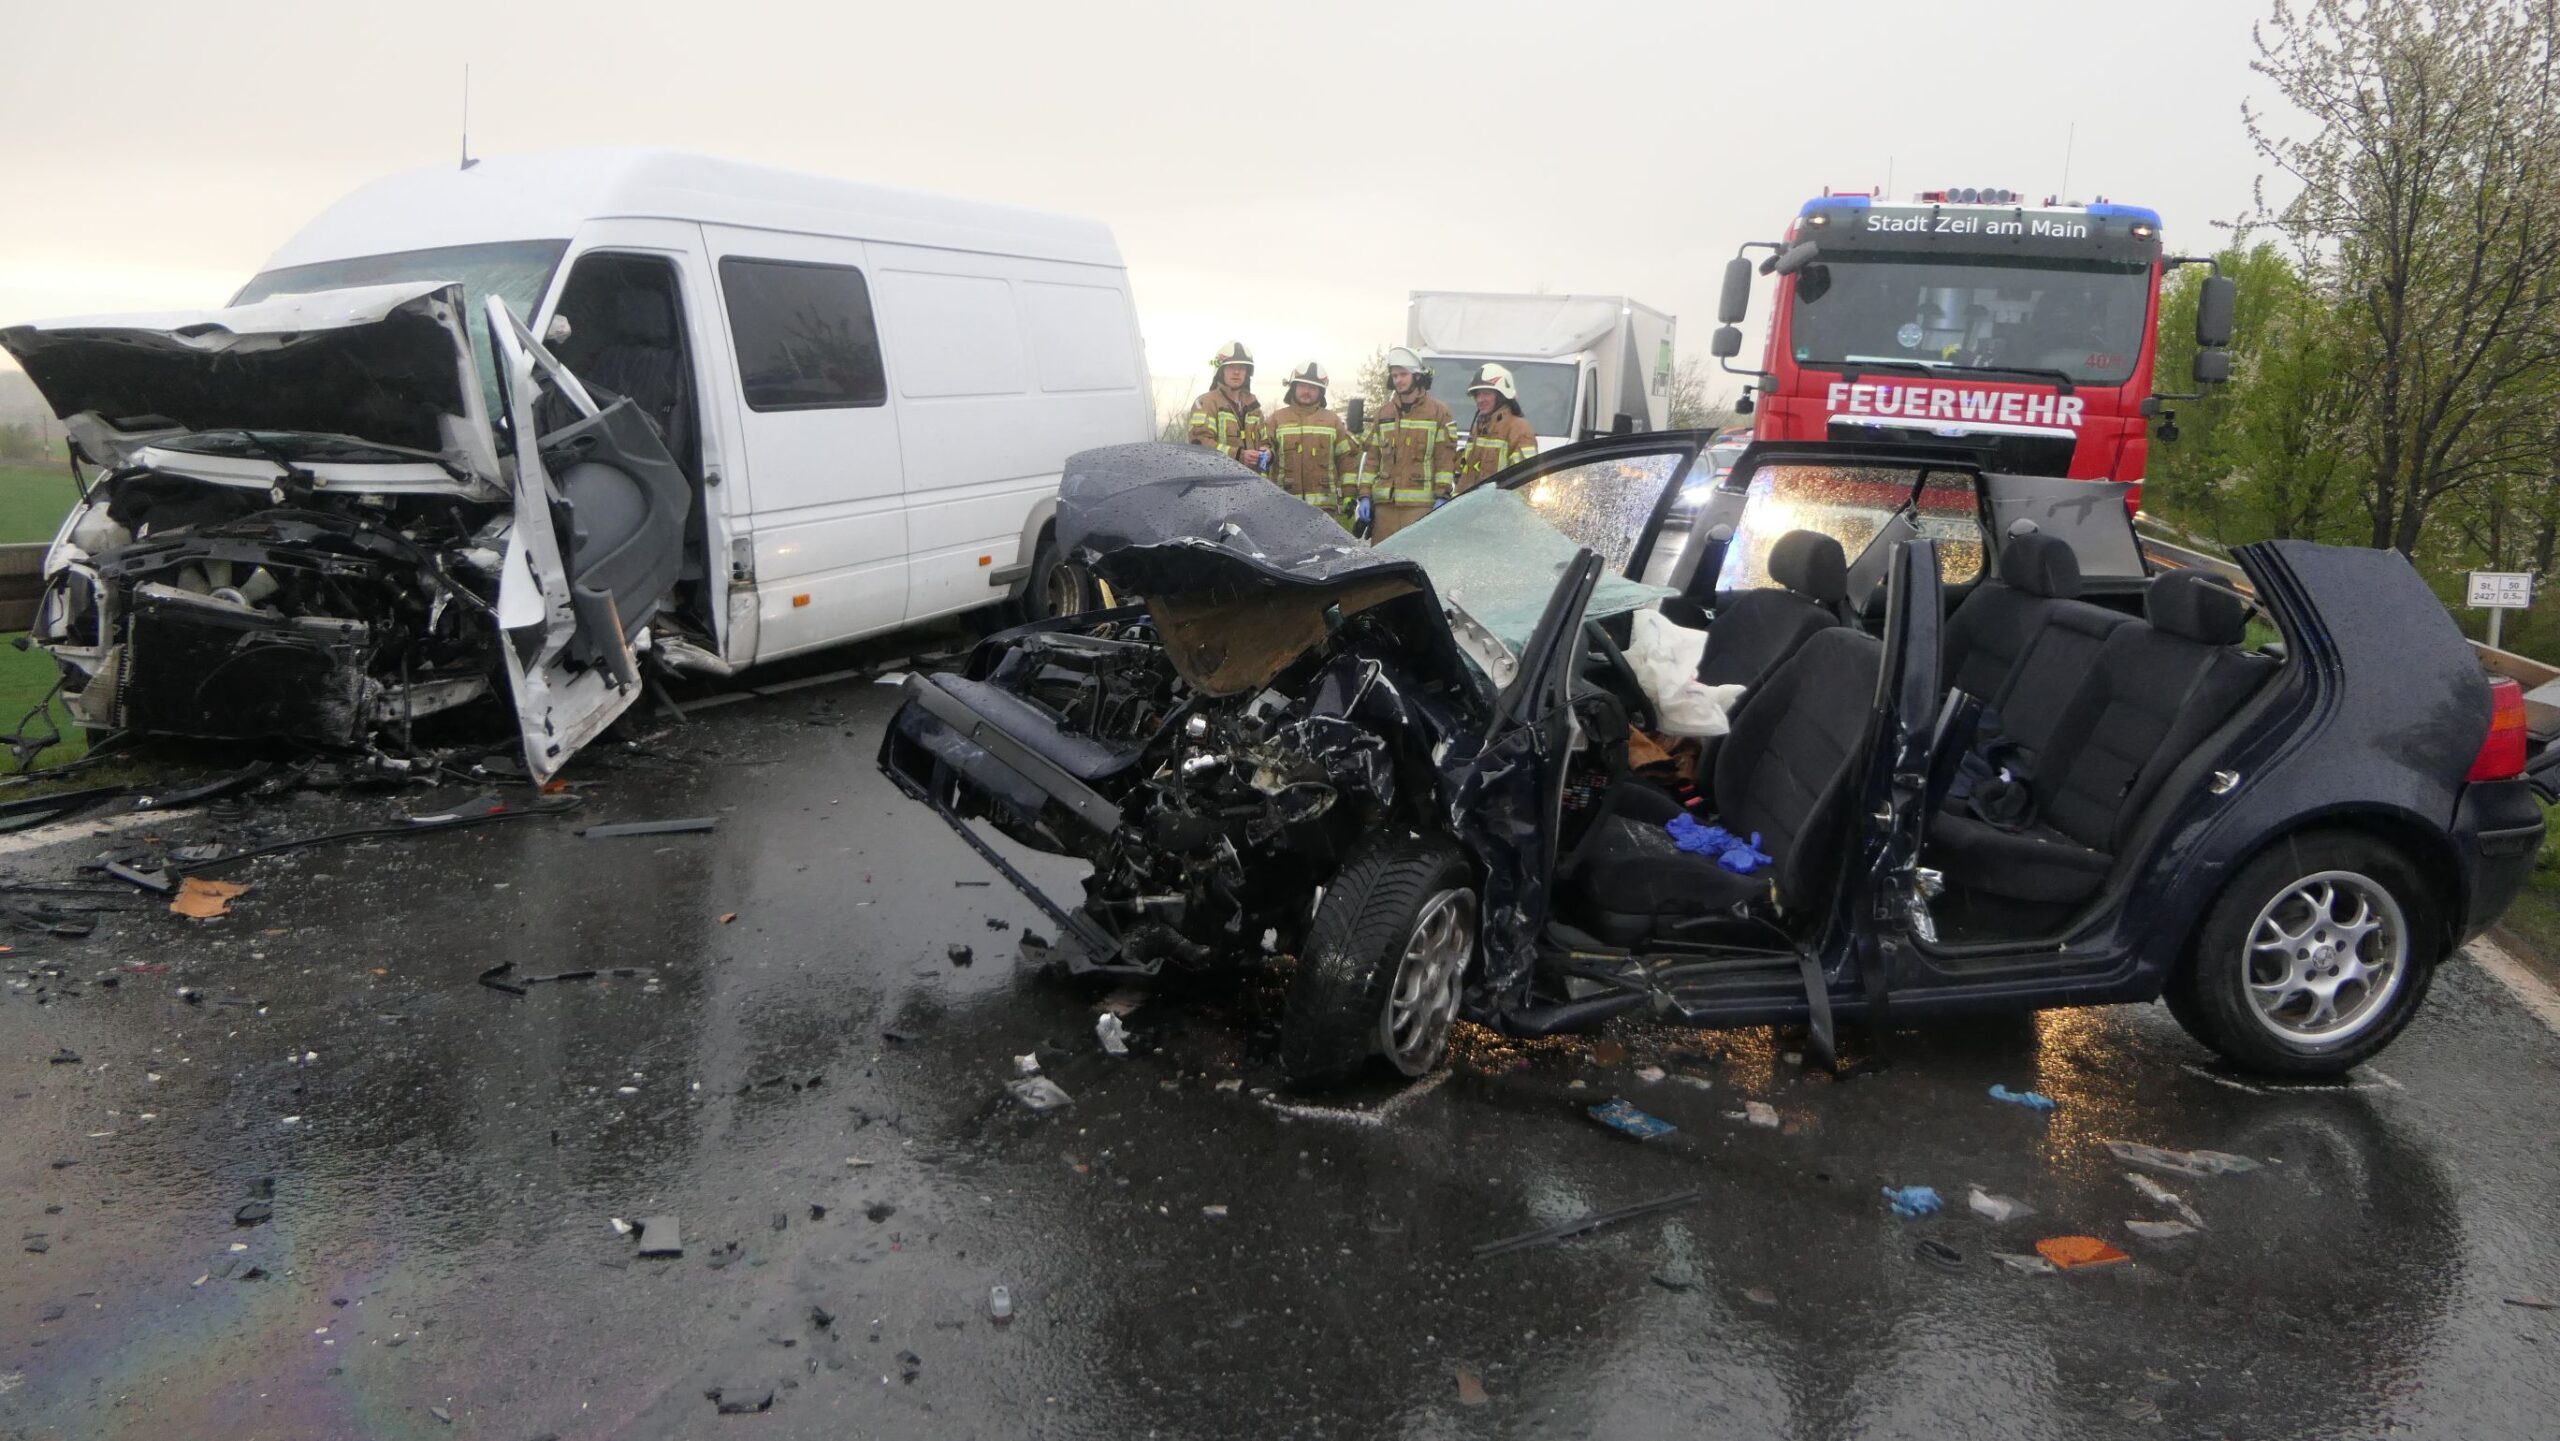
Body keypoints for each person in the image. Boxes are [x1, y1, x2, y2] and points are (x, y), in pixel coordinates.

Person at [1361, 346, 1456, 540]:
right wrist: (1364, 495)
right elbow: (1372, 460)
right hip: (1384, 509)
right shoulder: (1383, 413)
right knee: (1383, 564)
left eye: (1403, 374)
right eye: (1394, 375)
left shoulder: (1438, 413)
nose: (1398, 380)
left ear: (1418, 376)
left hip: (1421, 509)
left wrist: (1442, 495)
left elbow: (1444, 459)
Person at [1265, 361, 1359, 511]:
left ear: (1321, 392)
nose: (1307, 391)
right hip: (1285, 508)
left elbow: (1346, 460)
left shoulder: (1332, 421)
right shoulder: (1276, 419)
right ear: (1293, 388)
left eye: (1313, 388)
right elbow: (1264, 450)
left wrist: (1349, 495)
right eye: (1302, 386)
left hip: (1324, 511)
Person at [1457, 363, 1538, 492]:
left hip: (1499, 509)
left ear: (1502, 395)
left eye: (1486, 393)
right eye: (1477, 394)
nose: (1480, 399)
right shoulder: (1479, 427)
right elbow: (1467, 475)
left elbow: (1525, 482)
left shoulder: (1520, 429)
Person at [1187, 341, 1267, 468]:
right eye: (1231, 366)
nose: (1236, 372)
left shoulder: (1254, 407)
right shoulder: (1205, 403)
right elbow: (1200, 443)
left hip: (1252, 482)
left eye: (1241, 367)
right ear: (1221, 371)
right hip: (1218, 481)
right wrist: (1238, 455)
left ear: (1247, 373)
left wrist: (1267, 452)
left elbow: (1266, 441)